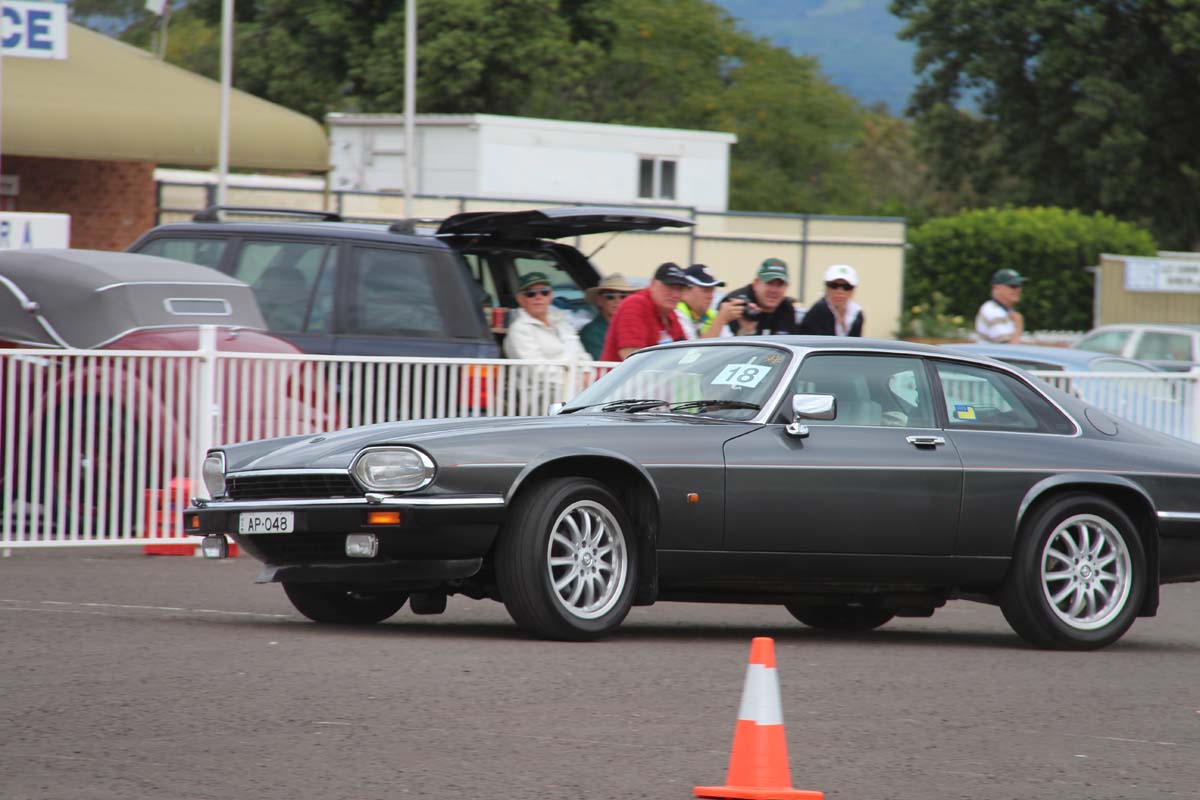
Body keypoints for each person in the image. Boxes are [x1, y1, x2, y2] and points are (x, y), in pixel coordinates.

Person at [600, 262, 689, 361]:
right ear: (653, 284)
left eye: (680, 289)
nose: (675, 294)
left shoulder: (670, 314)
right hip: (622, 375)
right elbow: (631, 356)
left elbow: (685, 353)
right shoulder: (635, 305)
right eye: (670, 287)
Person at [722, 257, 801, 336]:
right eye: (769, 283)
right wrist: (747, 331)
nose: (774, 290)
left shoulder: (786, 309)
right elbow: (727, 345)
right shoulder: (736, 304)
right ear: (755, 284)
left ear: (787, 287)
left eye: (779, 285)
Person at [675, 264, 743, 339]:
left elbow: (730, 346)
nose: (711, 296)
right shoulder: (677, 312)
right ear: (686, 291)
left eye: (712, 290)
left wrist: (747, 329)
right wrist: (721, 320)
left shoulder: (711, 315)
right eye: (705, 290)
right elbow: (693, 349)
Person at [579, 273, 636, 359]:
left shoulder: (634, 326)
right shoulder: (591, 333)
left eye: (623, 296)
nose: (617, 301)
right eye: (610, 296)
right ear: (599, 301)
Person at [797, 264, 864, 336]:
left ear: (853, 290)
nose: (840, 291)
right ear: (826, 287)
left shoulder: (857, 314)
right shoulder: (818, 312)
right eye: (834, 285)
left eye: (847, 287)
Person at [975, 268, 1026, 343]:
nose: (1018, 289)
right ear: (996, 288)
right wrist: (1018, 327)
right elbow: (1009, 350)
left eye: (1020, 286)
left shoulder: (1002, 310)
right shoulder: (992, 311)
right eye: (1013, 286)